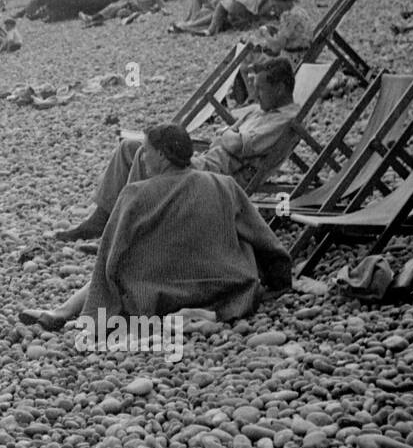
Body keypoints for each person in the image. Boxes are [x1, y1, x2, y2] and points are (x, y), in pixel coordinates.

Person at [17, 124, 292, 330]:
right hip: (223, 286)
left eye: (146, 152)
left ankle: (63, 312)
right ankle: (204, 311)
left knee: (122, 267)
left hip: (157, 293)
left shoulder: (135, 195)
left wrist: (97, 311)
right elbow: (263, 238)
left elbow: (110, 260)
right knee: (235, 241)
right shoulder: (224, 185)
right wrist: (277, 279)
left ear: (162, 155)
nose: (143, 159)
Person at [41, 58, 299, 245]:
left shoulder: (283, 120)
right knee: (129, 148)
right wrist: (229, 135)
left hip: (219, 175)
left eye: (262, 88)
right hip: (207, 160)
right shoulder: (261, 111)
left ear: (280, 88)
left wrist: (229, 136)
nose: (256, 94)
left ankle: (121, 232)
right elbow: (229, 136)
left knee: (145, 158)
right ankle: (101, 219)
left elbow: (233, 142)